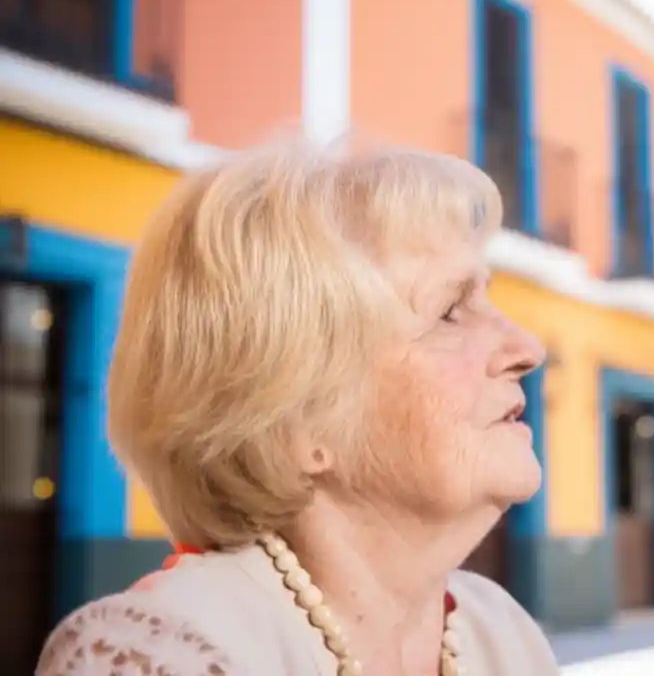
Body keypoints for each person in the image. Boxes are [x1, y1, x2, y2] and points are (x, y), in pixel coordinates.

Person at [36, 140, 558, 675]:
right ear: (298, 418)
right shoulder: (154, 653)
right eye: (450, 311)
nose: (527, 348)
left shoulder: (500, 633)